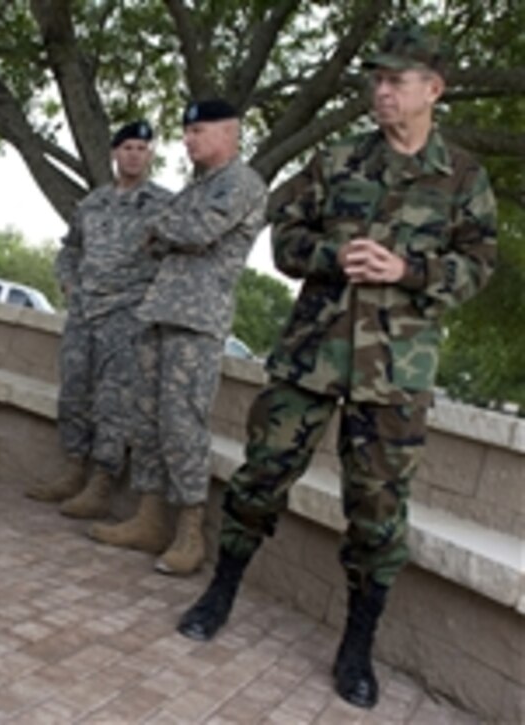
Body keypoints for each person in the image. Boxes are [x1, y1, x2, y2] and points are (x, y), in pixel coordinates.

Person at [176, 25, 498, 711]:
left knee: (377, 515)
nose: (381, 91)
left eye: (396, 80)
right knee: (260, 478)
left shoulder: (464, 177)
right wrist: (331, 256)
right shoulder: (339, 159)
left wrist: (408, 270)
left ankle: (357, 645)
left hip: (395, 375)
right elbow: (283, 236)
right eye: (376, 79)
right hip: (311, 356)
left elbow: (479, 265)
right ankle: (220, 591)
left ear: (432, 90)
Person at [88, 100, 267, 576]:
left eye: (198, 131)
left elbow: (196, 230)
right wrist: (166, 231)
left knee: (182, 423)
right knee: (147, 419)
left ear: (229, 132)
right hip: (159, 311)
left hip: (197, 320)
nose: (188, 140)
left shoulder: (241, 183)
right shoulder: (198, 186)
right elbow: (170, 234)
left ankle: (190, 532)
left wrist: (160, 228)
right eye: (187, 132)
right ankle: (148, 519)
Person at [25, 121, 173, 518]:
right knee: (74, 390)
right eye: (127, 148)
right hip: (84, 313)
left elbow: (176, 261)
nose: (134, 155)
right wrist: (69, 283)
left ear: (151, 155)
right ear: (114, 154)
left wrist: (149, 304)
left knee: (114, 401)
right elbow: (70, 249)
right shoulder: (93, 203)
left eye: (142, 148)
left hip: (126, 316)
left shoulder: (164, 206)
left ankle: (101, 483)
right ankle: (73, 468)